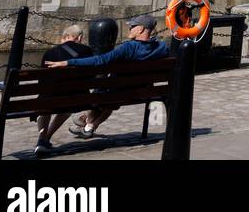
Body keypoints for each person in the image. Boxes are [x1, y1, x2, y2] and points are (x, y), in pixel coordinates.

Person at [45, 14, 170, 137]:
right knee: (109, 95)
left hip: (117, 92)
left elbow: (100, 60)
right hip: (143, 91)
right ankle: (89, 126)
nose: (129, 29)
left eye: (132, 26)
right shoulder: (162, 48)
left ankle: (88, 122)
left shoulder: (128, 47)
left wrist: (67, 62)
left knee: (104, 93)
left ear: (140, 29)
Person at [33, 25, 94, 156]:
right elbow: (91, 77)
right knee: (66, 107)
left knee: (44, 101)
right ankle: (45, 138)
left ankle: (42, 139)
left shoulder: (49, 53)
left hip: (50, 98)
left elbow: (42, 82)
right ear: (80, 38)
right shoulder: (88, 51)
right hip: (76, 98)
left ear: (64, 37)